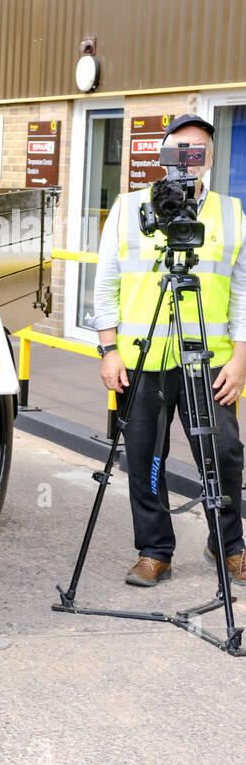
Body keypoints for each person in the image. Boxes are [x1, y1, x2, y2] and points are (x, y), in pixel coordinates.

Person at [94, 114, 246, 587]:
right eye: (181, 147)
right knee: (145, 458)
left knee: (224, 452)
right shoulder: (129, 206)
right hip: (142, 358)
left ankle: (228, 545)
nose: (189, 157)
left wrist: (241, 357)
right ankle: (154, 549)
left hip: (210, 358)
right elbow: (106, 283)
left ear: (210, 158)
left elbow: (241, 290)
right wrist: (107, 349)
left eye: (199, 149)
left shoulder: (231, 211)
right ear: (163, 153)